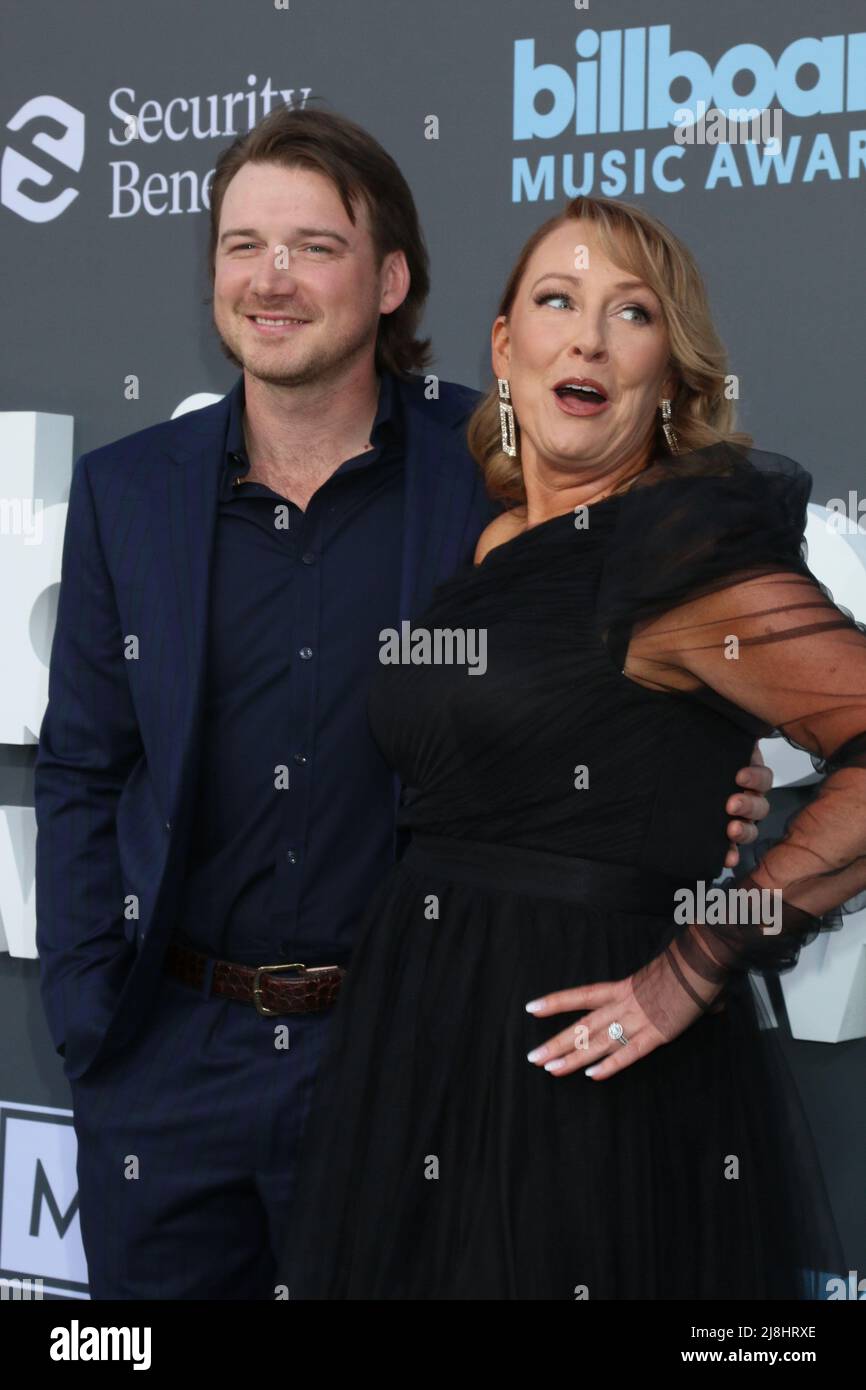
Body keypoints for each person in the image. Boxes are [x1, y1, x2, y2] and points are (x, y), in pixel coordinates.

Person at [33, 106, 770, 1301]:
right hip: (169, 1062)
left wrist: (704, 790)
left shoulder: (498, 471)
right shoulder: (127, 492)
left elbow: (643, 644)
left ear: (389, 280)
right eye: (240, 245)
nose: (269, 279)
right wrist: (90, 1024)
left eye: (313, 247)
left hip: (419, 1056)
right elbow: (80, 770)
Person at [275, 193, 866, 1300]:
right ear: (506, 348)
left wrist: (693, 964)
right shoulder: (496, 532)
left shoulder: (677, 548)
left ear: (673, 376)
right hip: (422, 1036)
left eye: (629, 312)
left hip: (584, 1071)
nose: (586, 336)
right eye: (555, 300)